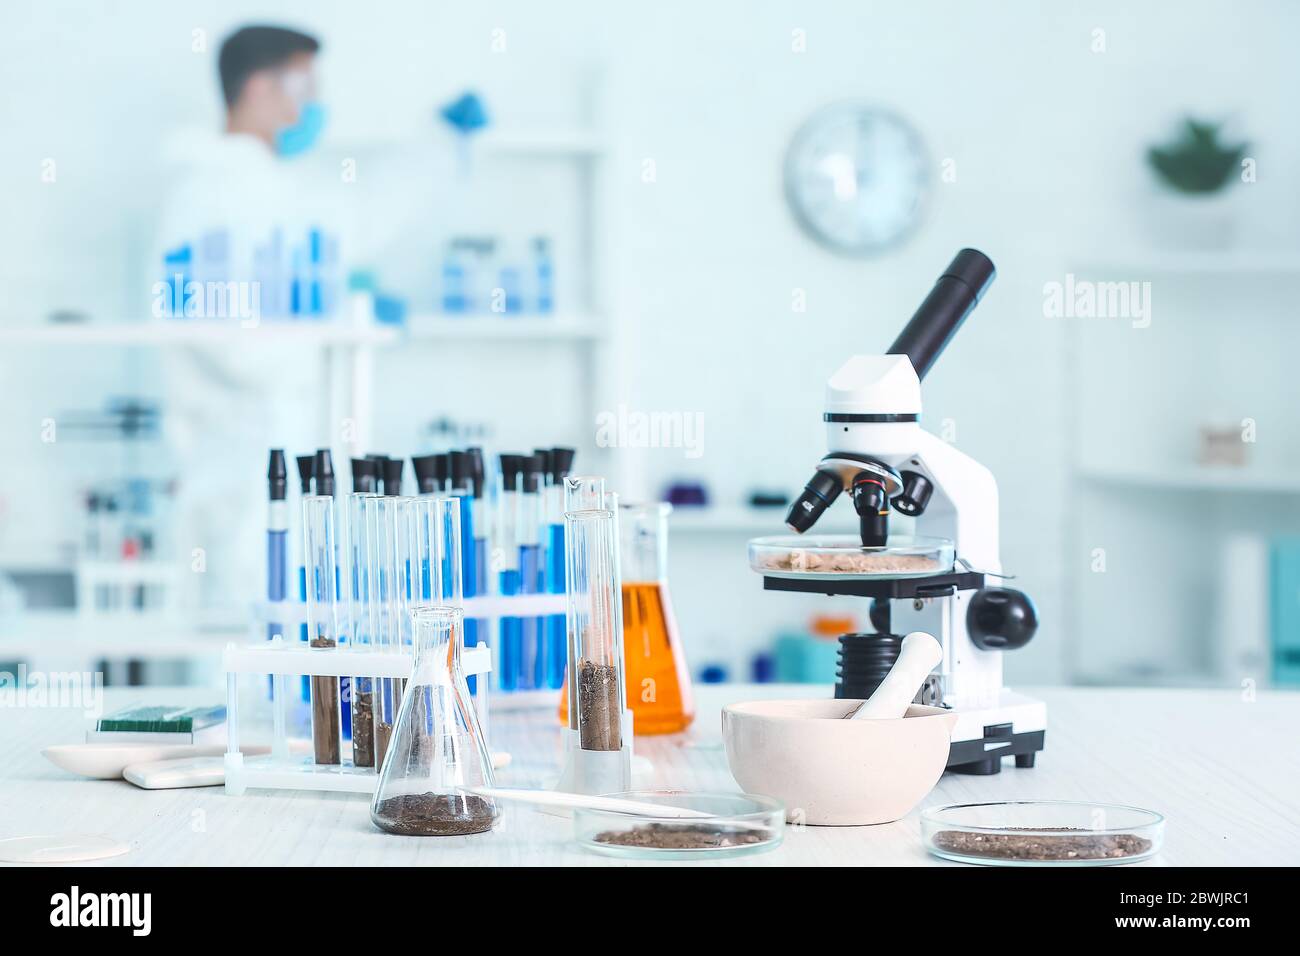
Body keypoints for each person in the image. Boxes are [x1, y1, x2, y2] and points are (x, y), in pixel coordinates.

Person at [154, 25, 333, 622]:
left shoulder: (260, 186)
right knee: (234, 655)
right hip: (232, 455)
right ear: (259, 86)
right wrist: (318, 338)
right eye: (303, 84)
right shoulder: (207, 192)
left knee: (271, 644)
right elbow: (223, 337)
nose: (313, 102)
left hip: (265, 454)